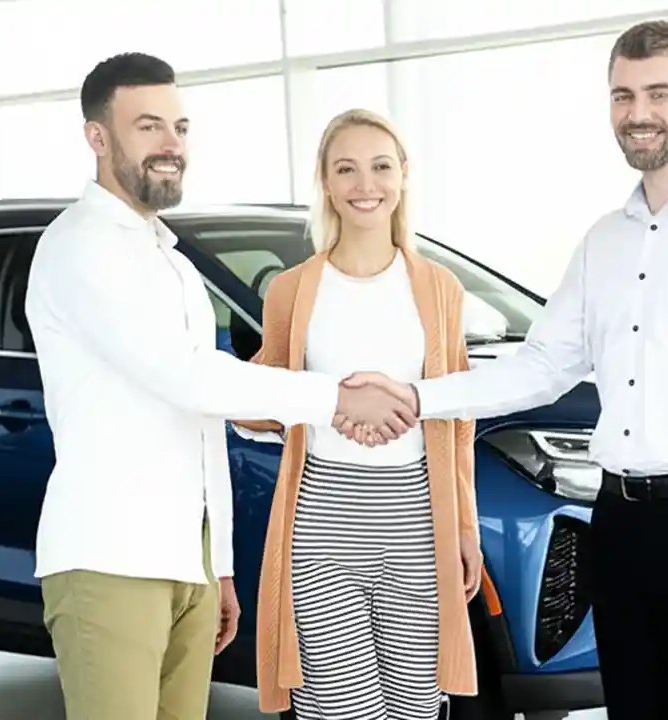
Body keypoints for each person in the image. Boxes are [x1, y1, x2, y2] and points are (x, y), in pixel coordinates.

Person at [342, 19, 668, 720]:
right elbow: (540, 368)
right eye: (622, 95)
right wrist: (414, 396)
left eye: (658, 93)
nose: (637, 113)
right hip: (620, 527)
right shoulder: (604, 241)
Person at [24, 55, 417, 720]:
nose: (172, 144)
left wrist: (220, 564)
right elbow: (189, 376)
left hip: (185, 561)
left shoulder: (169, 259)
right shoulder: (81, 246)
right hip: (110, 560)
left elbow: (199, 425)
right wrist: (336, 398)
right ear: (97, 137)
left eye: (180, 126)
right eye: (148, 126)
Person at [231, 107, 483, 720]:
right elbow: (261, 400)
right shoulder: (291, 289)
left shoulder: (440, 288)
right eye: (346, 169)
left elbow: (458, 417)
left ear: (403, 176)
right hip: (323, 522)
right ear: (325, 181)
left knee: (416, 709)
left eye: (379, 167)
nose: (365, 185)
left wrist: (466, 530)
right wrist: (333, 406)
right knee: (339, 711)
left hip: (416, 522)